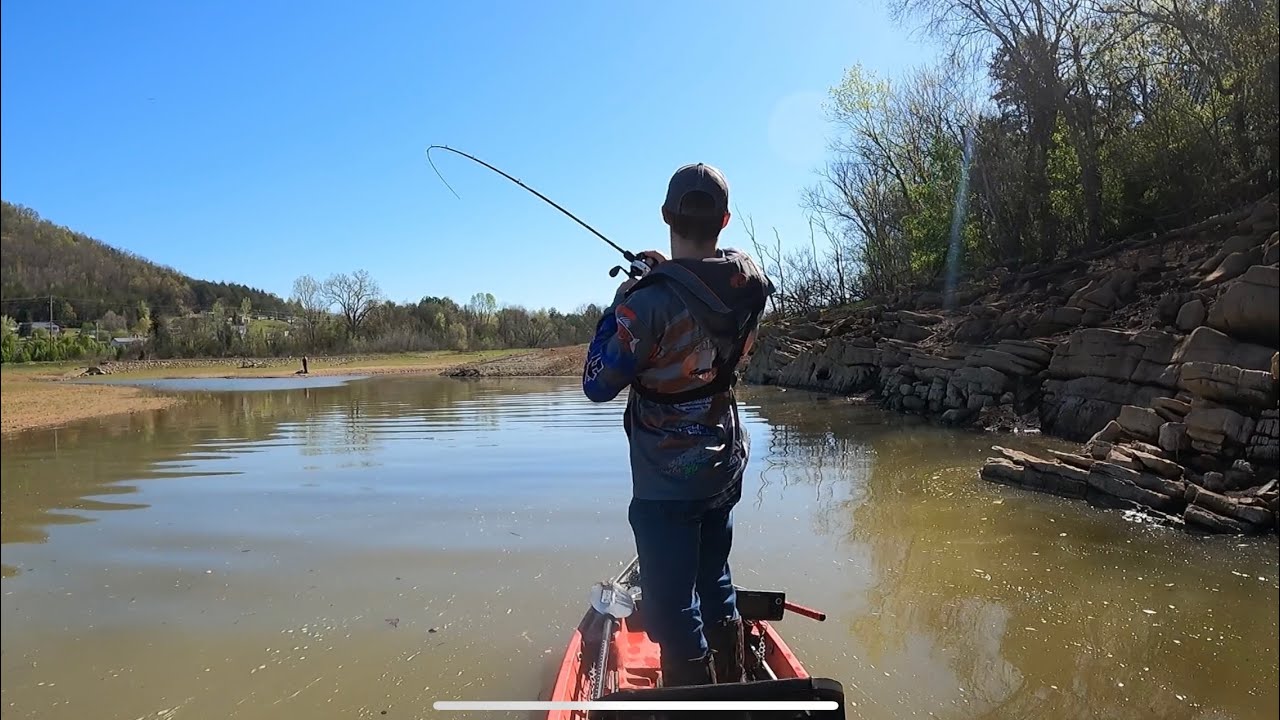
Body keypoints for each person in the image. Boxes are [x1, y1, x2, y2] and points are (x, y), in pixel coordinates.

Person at [581, 162, 774, 687]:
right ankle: (732, 685)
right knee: (714, 576)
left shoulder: (645, 305)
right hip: (723, 462)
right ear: (726, 219)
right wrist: (668, 272)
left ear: (667, 214)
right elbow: (706, 292)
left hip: (666, 478)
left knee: (670, 609)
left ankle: (696, 697)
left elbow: (597, 383)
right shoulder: (748, 286)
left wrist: (625, 299)